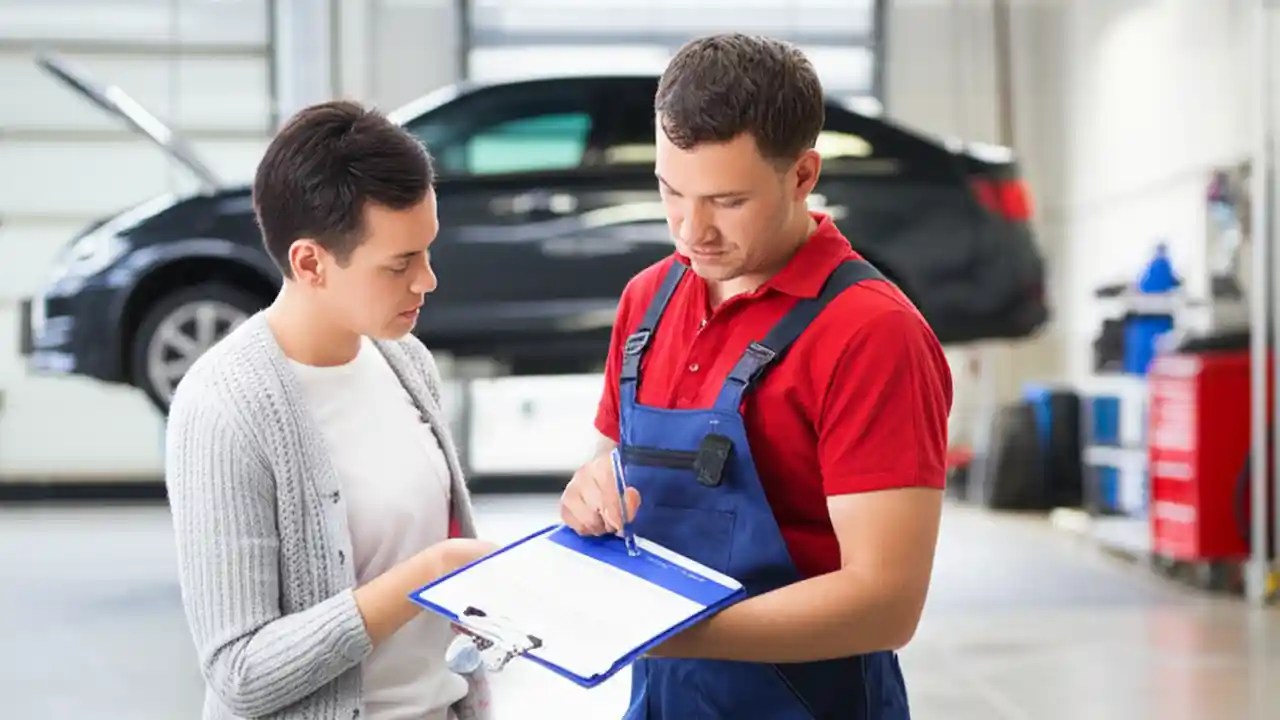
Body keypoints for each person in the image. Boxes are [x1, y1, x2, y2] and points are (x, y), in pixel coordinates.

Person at [559, 34, 952, 719]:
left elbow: (886, 603)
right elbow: (610, 463)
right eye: (670, 192)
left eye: (727, 201)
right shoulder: (646, 301)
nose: (691, 231)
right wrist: (592, 493)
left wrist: (675, 634)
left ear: (802, 175)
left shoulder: (871, 334)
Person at [164, 100, 497, 720]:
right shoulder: (223, 407)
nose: (427, 281)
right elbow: (241, 672)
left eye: (426, 252)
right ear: (310, 262)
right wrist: (428, 574)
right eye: (399, 264)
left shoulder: (408, 362)